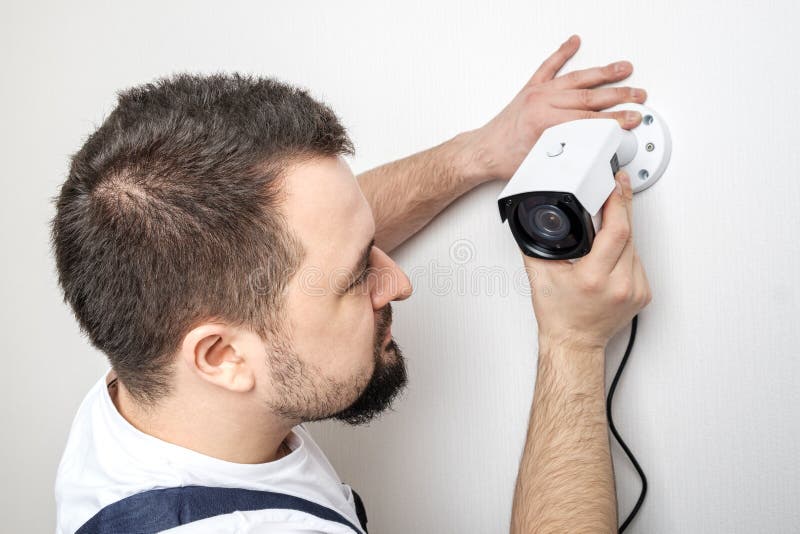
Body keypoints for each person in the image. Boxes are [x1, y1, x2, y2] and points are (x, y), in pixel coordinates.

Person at [52, 34, 651, 533]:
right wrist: (574, 343)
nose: (398, 282)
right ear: (222, 356)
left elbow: (301, 245)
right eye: (357, 276)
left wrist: (480, 152)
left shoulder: (151, 351)